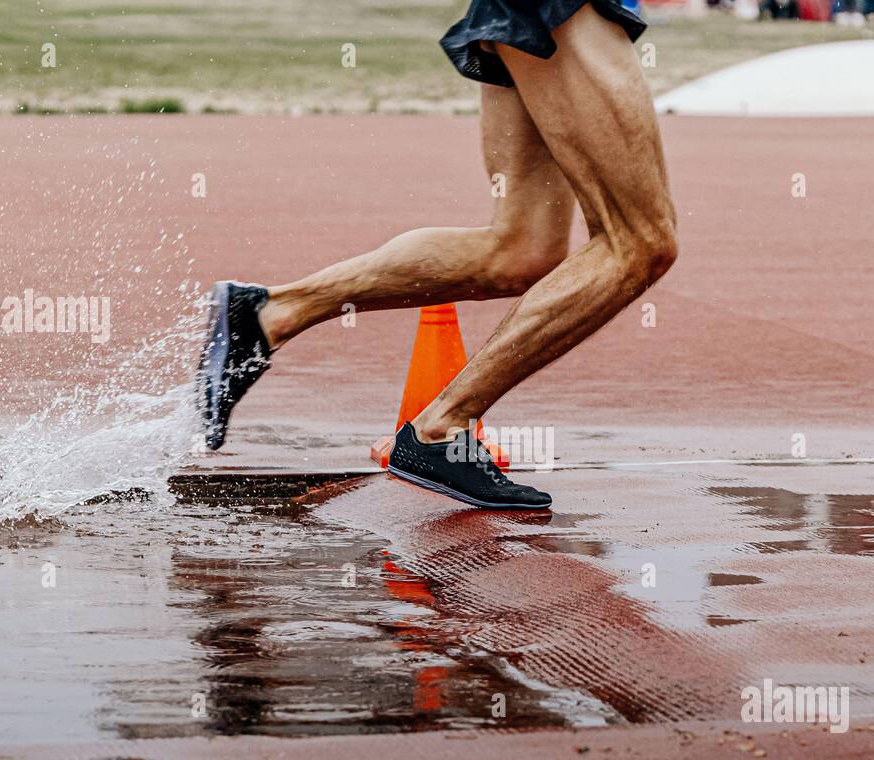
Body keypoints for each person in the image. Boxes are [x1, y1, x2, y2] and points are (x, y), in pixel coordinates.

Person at [197, 1, 678, 510]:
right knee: (640, 243)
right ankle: (439, 429)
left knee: (520, 252)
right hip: (567, 8)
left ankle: (272, 312)